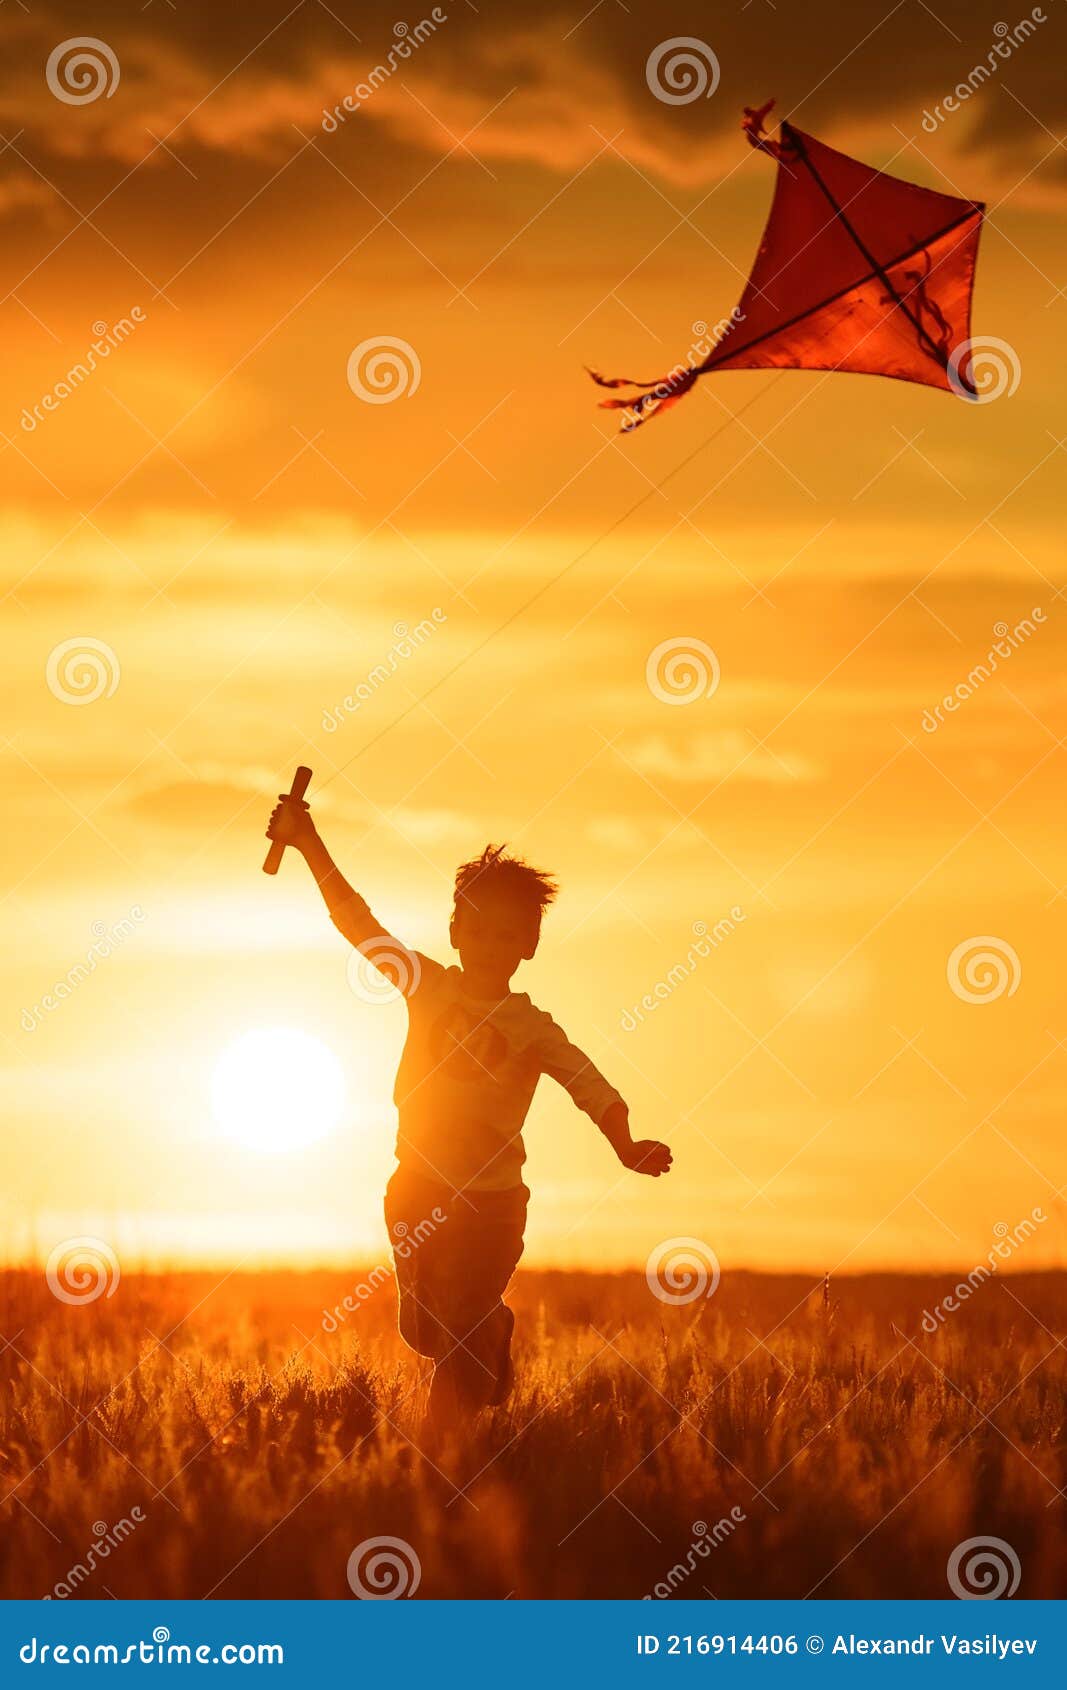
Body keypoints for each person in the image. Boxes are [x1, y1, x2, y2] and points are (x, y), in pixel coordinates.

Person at [266, 794, 672, 1432]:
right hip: (415, 1190)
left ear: (529, 944)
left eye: (506, 934)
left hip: (491, 1206)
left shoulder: (533, 1029)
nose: (488, 945)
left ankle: (442, 1457)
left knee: (457, 1327)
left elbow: (588, 1084)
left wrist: (625, 1143)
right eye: (477, 929)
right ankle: (493, 1331)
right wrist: (307, 840)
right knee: (425, 1333)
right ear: (455, 930)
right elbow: (359, 924)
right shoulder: (427, 986)